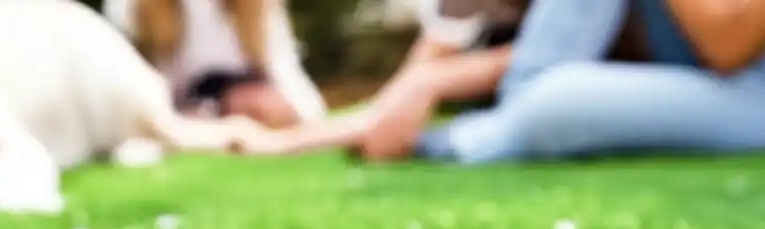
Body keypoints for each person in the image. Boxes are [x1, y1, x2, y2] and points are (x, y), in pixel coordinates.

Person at [408, 0, 765, 163]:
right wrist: (428, 81)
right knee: (540, 102)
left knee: (556, 104)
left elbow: (729, 41)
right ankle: (511, 123)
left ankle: (482, 137)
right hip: (708, 49)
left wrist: (440, 82)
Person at [235, 0, 644, 158]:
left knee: (546, 106)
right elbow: (404, 90)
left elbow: (547, 63)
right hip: (567, 98)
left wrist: (439, 80)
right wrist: (290, 141)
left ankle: (449, 145)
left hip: (659, 76)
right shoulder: (460, 5)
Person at [103, 0, 327, 128]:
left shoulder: (260, 8)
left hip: (246, 120)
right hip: (179, 121)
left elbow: (294, 84)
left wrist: (283, 107)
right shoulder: (128, 8)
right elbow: (130, 99)